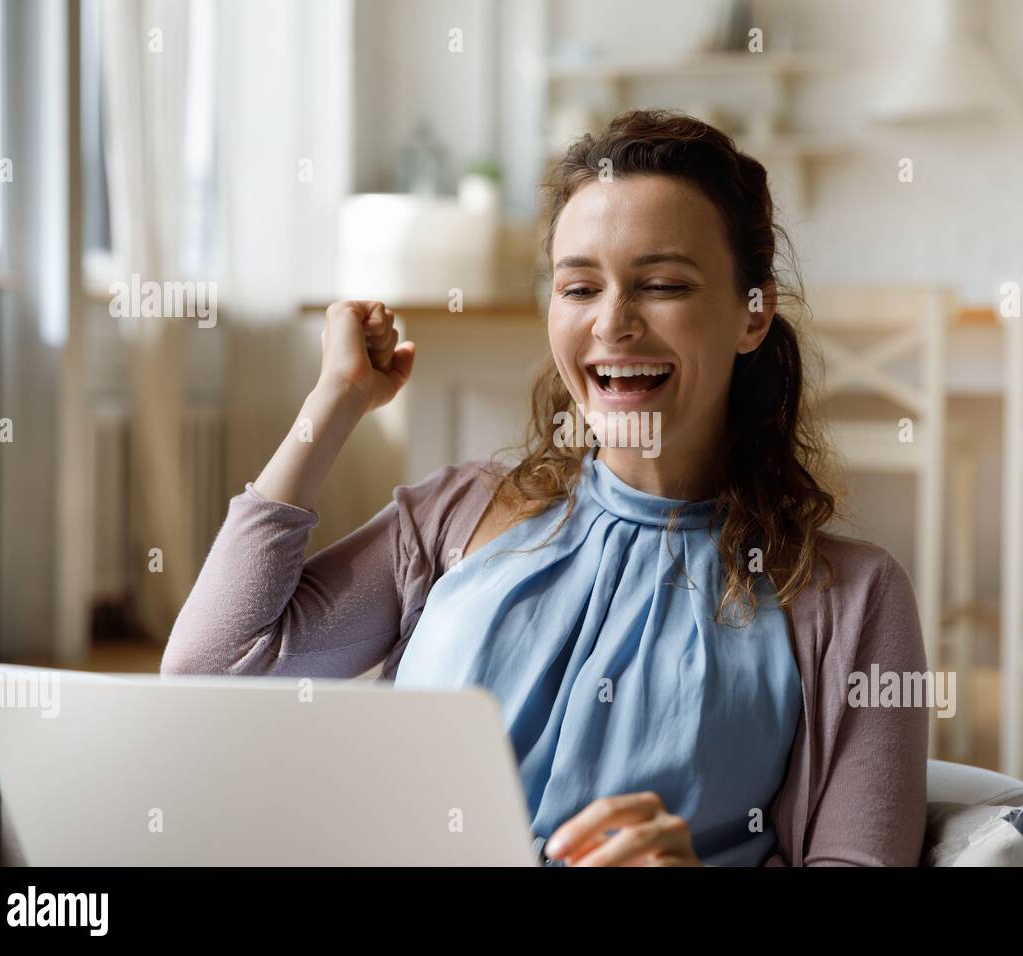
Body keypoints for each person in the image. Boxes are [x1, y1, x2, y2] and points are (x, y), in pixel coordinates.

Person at [163, 109, 929, 867]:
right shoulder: (457, 515)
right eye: (579, 287)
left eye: (664, 284)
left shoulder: (853, 598)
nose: (613, 323)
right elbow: (212, 675)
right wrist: (334, 403)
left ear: (752, 317)